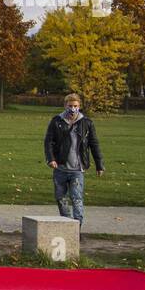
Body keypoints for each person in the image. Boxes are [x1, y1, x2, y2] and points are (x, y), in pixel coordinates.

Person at [43, 92, 104, 228]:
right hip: (60, 168)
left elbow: (94, 144)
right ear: (65, 105)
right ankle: (66, 226)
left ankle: (77, 228)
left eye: (75, 106)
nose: (73, 108)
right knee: (61, 199)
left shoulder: (86, 123)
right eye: (70, 105)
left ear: (79, 106)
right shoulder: (57, 121)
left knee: (77, 199)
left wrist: (99, 165)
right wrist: (51, 159)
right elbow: (48, 142)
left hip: (78, 169)